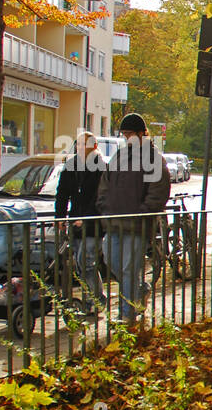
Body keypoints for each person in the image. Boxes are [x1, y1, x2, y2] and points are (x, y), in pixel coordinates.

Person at [97, 113, 170, 324]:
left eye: (129, 133)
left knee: (129, 268)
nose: (126, 137)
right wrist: (104, 207)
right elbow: (105, 183)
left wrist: (143, 211)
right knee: (111, 259)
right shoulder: (119, 156)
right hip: (114, 222)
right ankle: (139, 290)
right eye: (124, 134)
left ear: (141, 133)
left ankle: (126, 313)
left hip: (136, 224)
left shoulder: (153, 157)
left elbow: (158, 191)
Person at [55, 131, 106, 317]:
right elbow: (62, 192)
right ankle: (96, 298)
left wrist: (86, 217)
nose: (80, 148)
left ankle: (94, 300)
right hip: (76, 221)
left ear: (93, 146)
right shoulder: (72, 165)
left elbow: (100, 196)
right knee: (81, 263)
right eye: (78, 144)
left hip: (93, 223)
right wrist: (60, 216)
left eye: (83, 145)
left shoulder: (100, 166)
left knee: (86, 261)